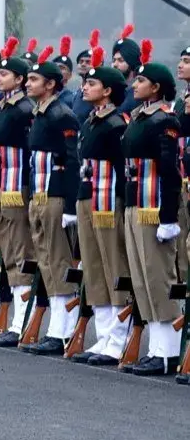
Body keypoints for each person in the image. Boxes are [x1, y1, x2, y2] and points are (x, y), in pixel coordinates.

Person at [120, 39, 182, 376]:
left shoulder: (165, 121)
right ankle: (156, 349)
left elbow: (171, 171)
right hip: (135, 205)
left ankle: (168, 352)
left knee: (158, 277)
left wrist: (169, 217)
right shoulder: (139, 117)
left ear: (156, 88)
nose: (135, 84)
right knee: (142, 280)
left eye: (141, 81)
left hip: (154, 207)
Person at [69, 46, 132, 365]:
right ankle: (105, 334)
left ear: (108, 91)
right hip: (87, 198)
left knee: (113, 266)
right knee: (93, 267)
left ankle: (119, 338)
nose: (85, 87)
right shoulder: (92, 120)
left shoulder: (117, 125)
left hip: (110, 202)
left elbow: (124, 172)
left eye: (92, 85)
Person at [21, 47, 81, 355]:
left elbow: (72, 161)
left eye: (34, 79)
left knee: (58, 260)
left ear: (51, 85)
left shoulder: (61, 115)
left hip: (56, 197)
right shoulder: (38, 114)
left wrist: (71, 207)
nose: (28, 84)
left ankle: (63, 330)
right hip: (39, 196)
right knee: (44, 260)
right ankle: (57, 327)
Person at [0, 40, 37, 347]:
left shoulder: (24, 109)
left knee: (21, 254)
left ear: (19, 79)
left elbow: (30, 155)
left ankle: (22, 323)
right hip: (2, 187)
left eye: (5, 74)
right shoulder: (2, 108)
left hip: (18, 188)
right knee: (7, 253)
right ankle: (16, 320)